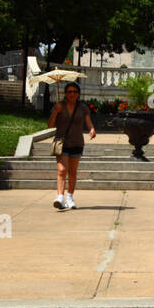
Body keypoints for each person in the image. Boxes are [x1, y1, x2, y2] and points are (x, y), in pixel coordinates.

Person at [47, 81, 96, 211]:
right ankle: (59, 197)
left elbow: (88, 122)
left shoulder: (82, 108)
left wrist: (91, 129)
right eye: (69, 92)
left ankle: (69, 198)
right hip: (61, 143)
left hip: (77, 142)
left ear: (78, 94)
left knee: (72, 172)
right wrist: (55, 112)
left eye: (75, 91)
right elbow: (50, 125)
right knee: (62, 170)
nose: (72, 94)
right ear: (65, 94)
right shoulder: (59, 106)